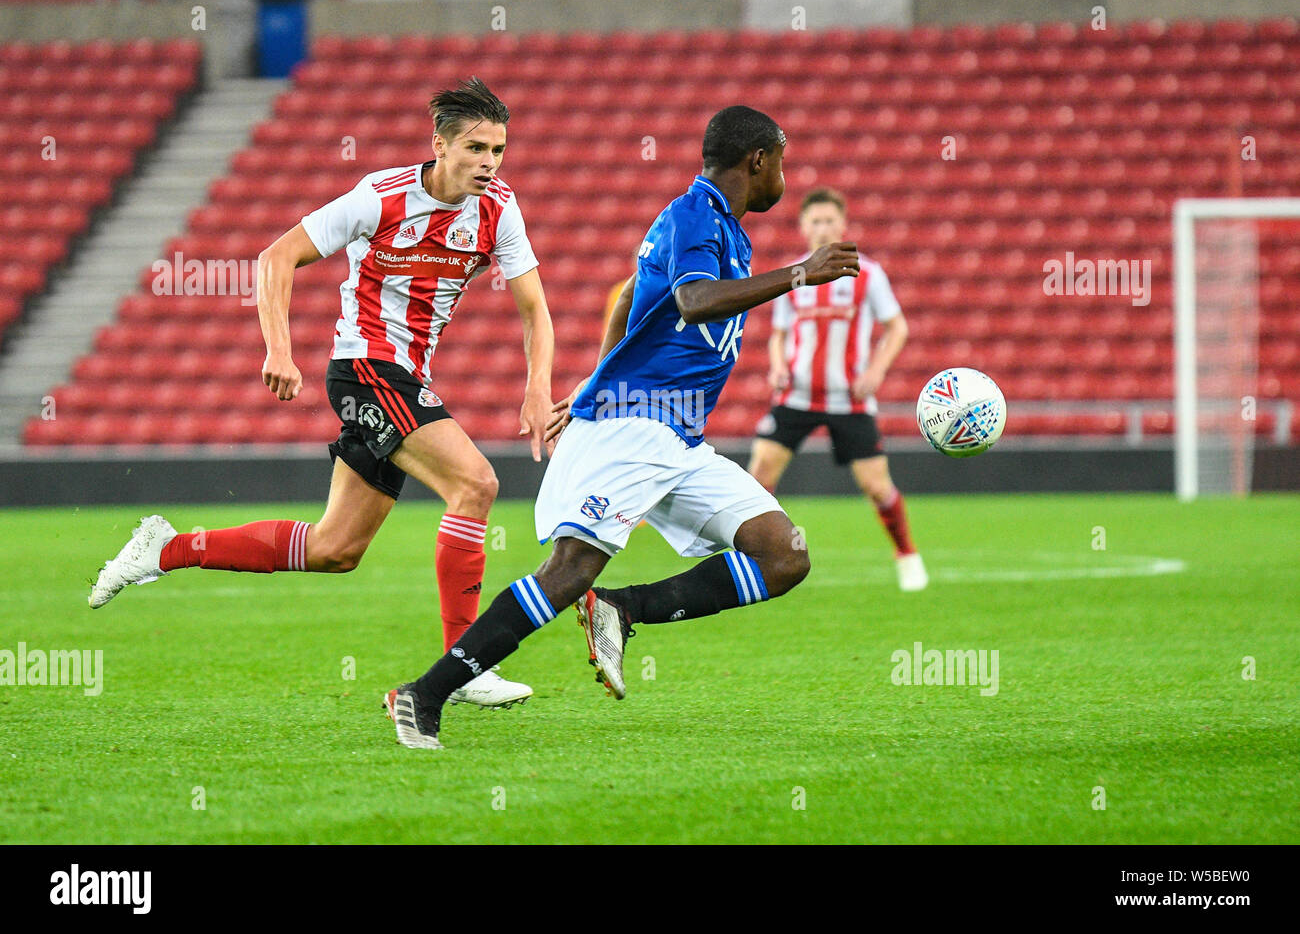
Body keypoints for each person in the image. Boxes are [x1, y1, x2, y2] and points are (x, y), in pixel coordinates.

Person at [383, 105, 860, 750]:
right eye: (782, 159)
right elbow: (693, 300)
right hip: (634, 425)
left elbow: (635, 293)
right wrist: (801, 272)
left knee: (784, 555)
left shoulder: (719, 225)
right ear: (759, 160)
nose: (784, 173)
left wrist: (591, 375)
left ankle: (626, 607)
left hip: (679, 436)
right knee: (570, 568)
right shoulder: (696, 214)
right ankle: (425, 694)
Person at [88, 78, 553, 708]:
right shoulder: (380, 198)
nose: (489, 162)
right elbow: (276, 258)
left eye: (498, 149)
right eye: (476, 148)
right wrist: (277, 349)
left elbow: (534, 307)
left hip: (406, 378)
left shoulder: (499, 208)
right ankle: (463, 664)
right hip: (365, 367)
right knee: (476, 484)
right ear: (439, 144)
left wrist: (537, 389)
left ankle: (165, 548)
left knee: (334, 550)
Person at [748, 188, 926, 592]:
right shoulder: (792, 273)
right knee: (758, 474)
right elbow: (778, 334)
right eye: (816, 221)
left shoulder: (868, 273)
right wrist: (776, 366)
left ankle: (906, 553)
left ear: (843, 225)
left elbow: (898, 328)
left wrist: (877, 370)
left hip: (850, 399)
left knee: (877, 486)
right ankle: (755, 557)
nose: (823, 227)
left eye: (830, 220)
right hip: (795, 395)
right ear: (803, 226)